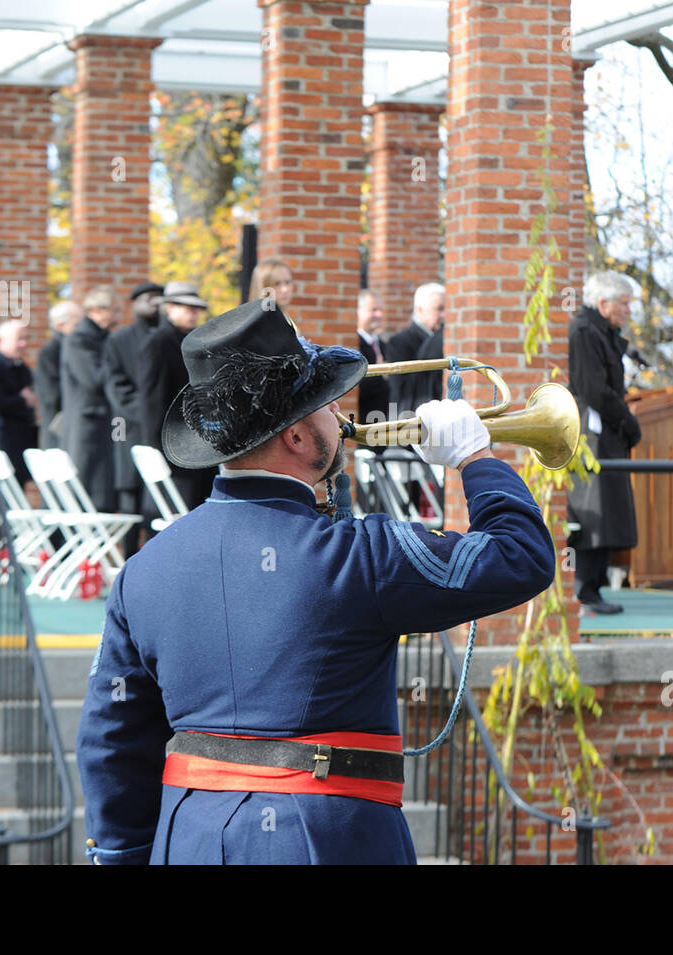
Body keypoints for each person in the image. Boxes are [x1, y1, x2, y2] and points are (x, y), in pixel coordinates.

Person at [76, 299, 555, 865]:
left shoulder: (145, 568)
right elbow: (521, 555)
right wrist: (477, 458)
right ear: (299, 440)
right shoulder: (363, 555)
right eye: (328, 406)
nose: (343, 419)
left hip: (189, 839)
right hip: (327, 840)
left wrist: (125, 854)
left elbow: (111, 737)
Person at [566, 271, 642, 615]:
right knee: (594, 512)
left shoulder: (604, 333)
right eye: (624, 304)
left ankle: (593, 588)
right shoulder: (584, 332)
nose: (628, 311)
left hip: (607, 435)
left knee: (609, 512)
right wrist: (627, 421)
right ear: (603, 303)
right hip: (591, 436)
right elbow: (594, 389)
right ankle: (584, 590)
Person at [139, 281, 214, 513]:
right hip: (173, 444)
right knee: (176, 512)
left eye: (196, 308)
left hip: (198, 442)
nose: (193, 313)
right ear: (169, 308)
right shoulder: (158, 343)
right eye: (186, 307)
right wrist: (158, 446)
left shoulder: (196, 342)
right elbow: (152, 399)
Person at [105, 281, 164, 553]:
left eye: (159, 298)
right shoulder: (119, 340)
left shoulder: (167, 337)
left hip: (163, 432)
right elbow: (117, 388)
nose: (155, 303)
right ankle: (128, 559)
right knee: (131, 500)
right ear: (135, 304)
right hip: (130, 431)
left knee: (160, 500)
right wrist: (150, 410)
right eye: (148, 298)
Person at [61, 286, 119, 512]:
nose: (116, 316)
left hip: (110, 424)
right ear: (97, 310)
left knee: (105, 484)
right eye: (113, 310)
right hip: (87, 425)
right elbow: (93, 379)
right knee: (86, 484)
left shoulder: (105, 338)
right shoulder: (79, 339)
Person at [0, 319, 39, 483]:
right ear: (1, 340)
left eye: (26, 339)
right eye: (19, 339)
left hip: (20, 444)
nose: (23, 344)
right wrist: (22, 400)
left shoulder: (23, 369)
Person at [385, 283, 445, 417]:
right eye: (439, 309)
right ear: (420, 309)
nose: (444, 315)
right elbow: (403, 390)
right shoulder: (400, 342)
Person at [37, 301, 81, 450]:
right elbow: (52, 394)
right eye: (77, 325)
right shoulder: (51, 352)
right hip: (59, 425)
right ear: (60, 326)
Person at [355, 289, 391, 446]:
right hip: (362, 426)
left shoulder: (384, 345)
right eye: (373, 310)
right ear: (359, 312)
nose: (379, 315)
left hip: (382, 427)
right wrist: (381, 375)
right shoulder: (354, 345)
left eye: (381, 310)